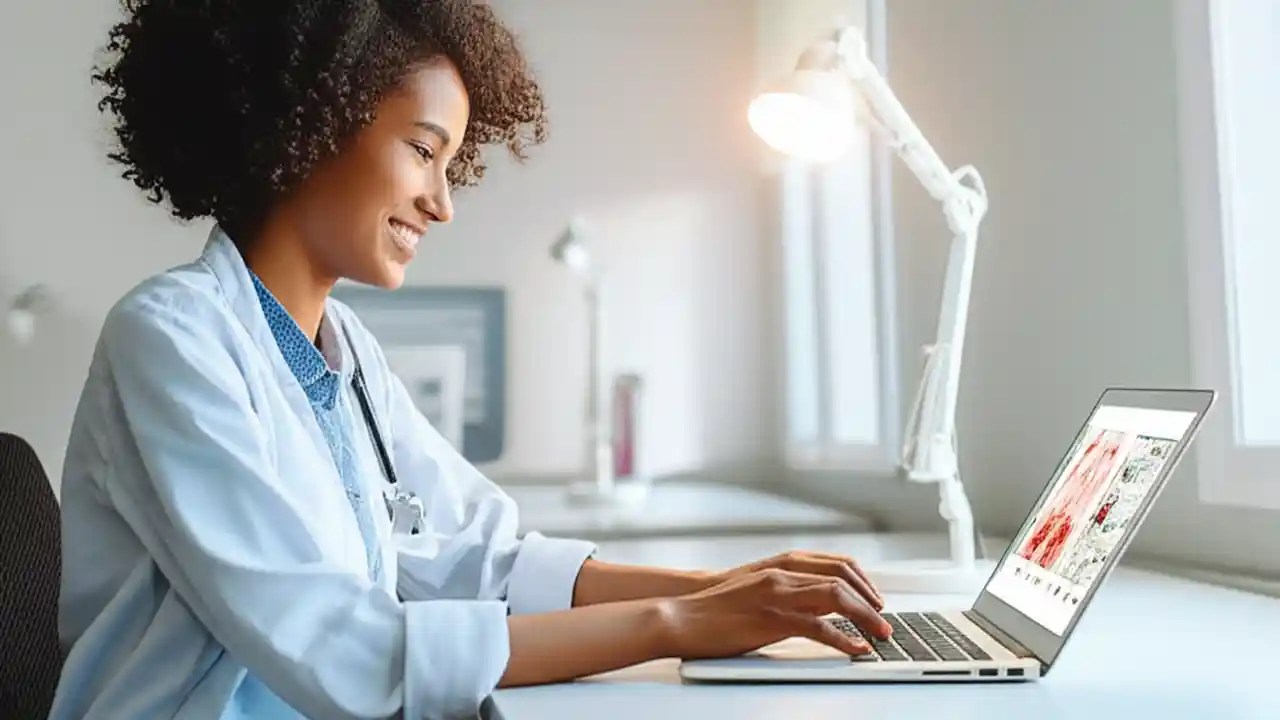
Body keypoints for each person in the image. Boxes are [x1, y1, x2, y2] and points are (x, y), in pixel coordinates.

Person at [51, 1, 892, 718]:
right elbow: (347, 653)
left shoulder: (348, 361)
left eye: (450, 163)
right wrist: (680, 622)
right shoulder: (169, 339)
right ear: (307, 121)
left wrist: (725, 588)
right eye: (423, 151)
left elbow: (478, 556)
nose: (442, 203)